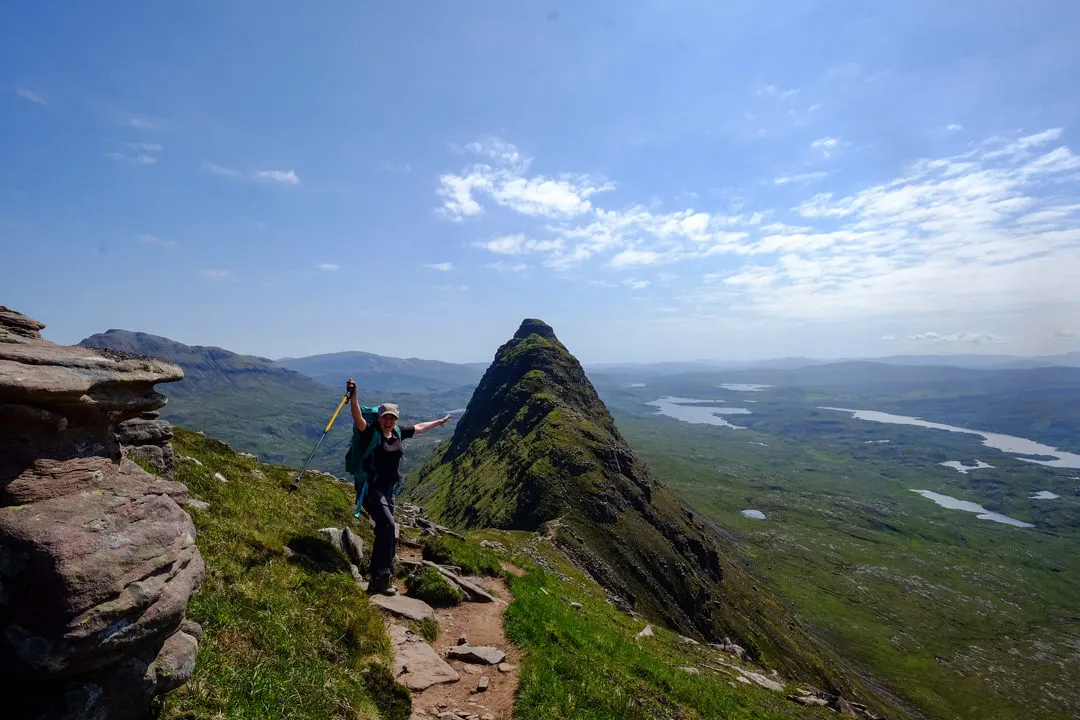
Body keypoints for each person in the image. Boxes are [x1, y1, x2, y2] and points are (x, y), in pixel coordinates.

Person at [346, 377, 452, 595]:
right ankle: (378, 578)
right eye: (385, 417)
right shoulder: (370, 433)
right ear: (379, 417)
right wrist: (354, 396)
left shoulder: (397, 433)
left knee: (388, 530)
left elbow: (420, 427)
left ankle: (385, 575)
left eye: (392, 418)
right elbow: (358, 418)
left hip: (388, 490)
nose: (389, 421)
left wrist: (439, 422)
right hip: (371, 489)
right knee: (387, 526)